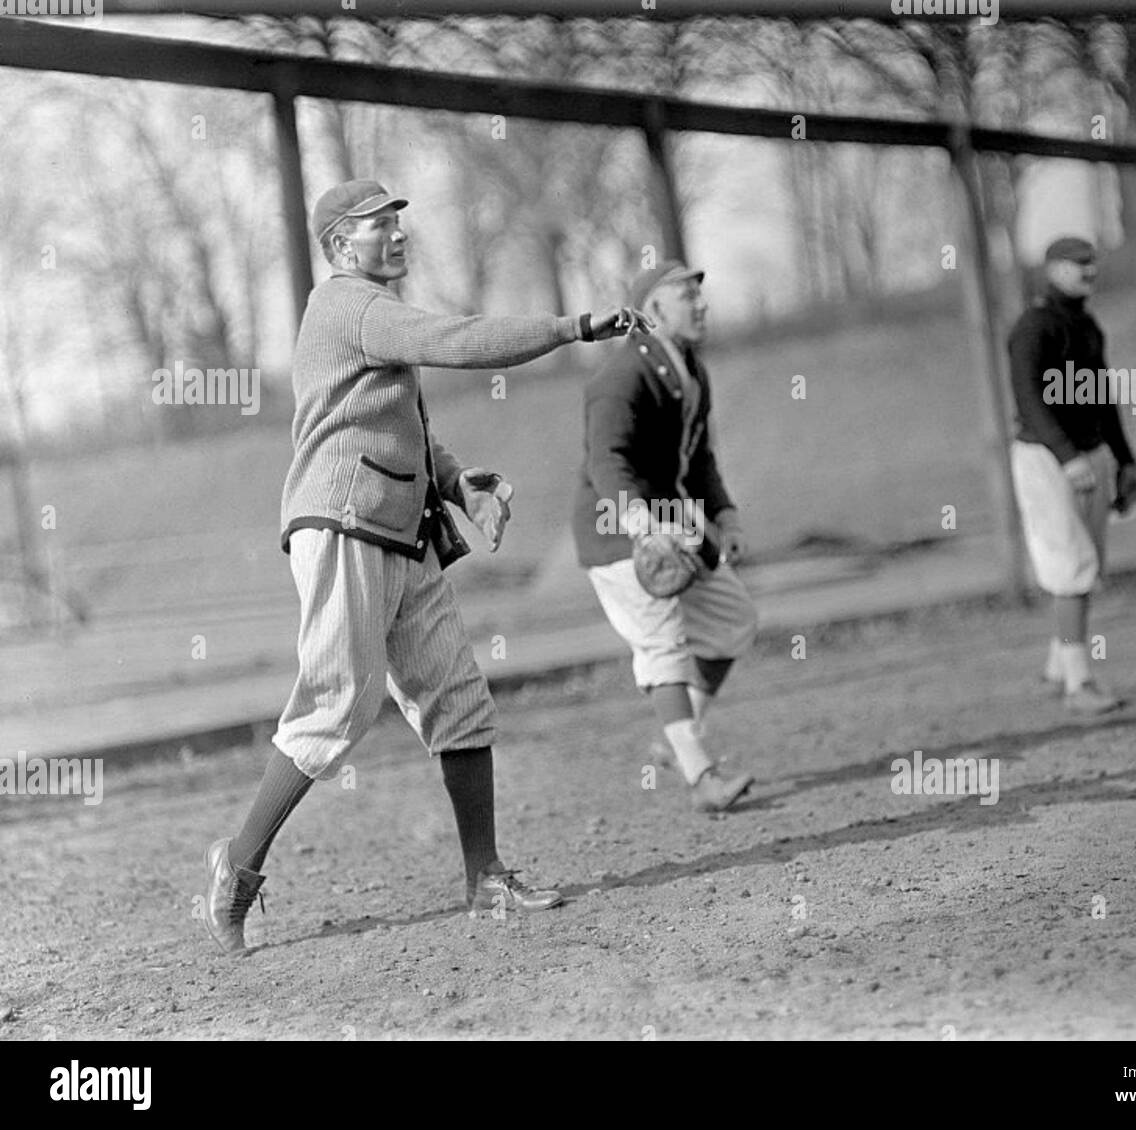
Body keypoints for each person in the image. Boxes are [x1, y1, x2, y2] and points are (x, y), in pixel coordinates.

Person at [202, 180, 649, 953]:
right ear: (342, 243)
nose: (398, 235)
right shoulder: (347, 304)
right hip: (341, 523)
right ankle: (236, 866)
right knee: (339, 701)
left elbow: (394, 422)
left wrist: (452, 479)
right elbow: (458, 339)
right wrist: (571, 326)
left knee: (457, 696)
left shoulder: (368, 314)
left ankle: (486, 881)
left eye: (399, 222)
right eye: (381, 225)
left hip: (398, 530)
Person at [572, 260, 758, 812]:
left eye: (700, 294)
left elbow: (698, 458)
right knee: (662, 647)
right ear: (652, 310)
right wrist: (640, 526)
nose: (701, 304)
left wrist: (724, 514)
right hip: (619, 534)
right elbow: (607, 460)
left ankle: (677, 738)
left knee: (732, 620)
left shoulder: (690, 368)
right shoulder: (620, 376)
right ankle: (702, 776)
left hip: (673, 526)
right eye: (686, 295)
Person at [1007, 236, 1136, 715]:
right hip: (1047, 458)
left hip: (1087, 455)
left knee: (1086, 566)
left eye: (1092, 261)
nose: (1089, 270)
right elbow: (1030, 400)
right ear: (1052, 269)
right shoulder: (1034, 327)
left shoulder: (1085, 325)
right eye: (1077, 263)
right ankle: (1078, 684)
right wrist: (1067, 455)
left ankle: (1055, 667)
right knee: (1072, 567)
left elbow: (1102, 398)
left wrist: (1126, 460)